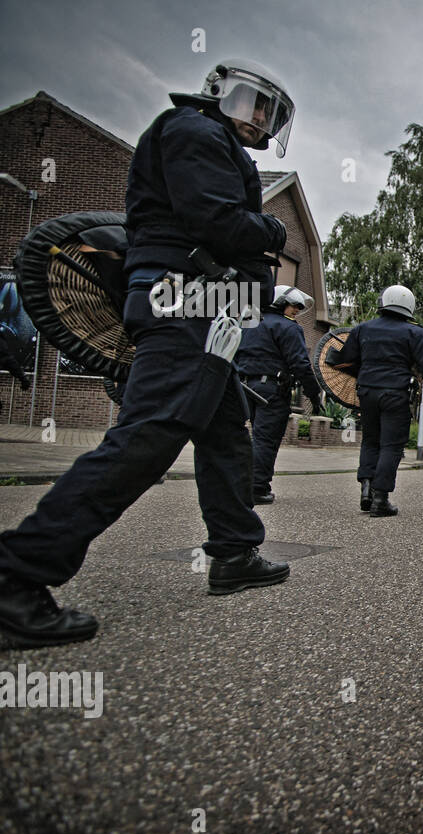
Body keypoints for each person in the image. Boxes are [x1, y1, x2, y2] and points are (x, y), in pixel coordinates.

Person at [0, 59, 297, 647]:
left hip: (204, 305)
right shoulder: (194, 130)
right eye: (257, 105)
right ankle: (17, 573)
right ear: (224, 94)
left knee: (224, 430)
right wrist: (272, 234)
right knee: (150, 435)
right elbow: (214, 220)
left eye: (271, 114)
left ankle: (235, 551)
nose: (262, 121)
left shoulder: (204, 138)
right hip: (184, 299)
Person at [327, 284, 423, 518]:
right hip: (396, 394)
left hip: (367, 393)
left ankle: (366, 490)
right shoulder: (414, 333)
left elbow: (347, 360)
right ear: (409, 306)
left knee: (370, 441)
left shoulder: (363, 329)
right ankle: (380, 499)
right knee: (391, 445)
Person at [236, 284, 322, 504]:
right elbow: (301, 364)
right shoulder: (288, 328)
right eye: (294, 306)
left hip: (245, 387)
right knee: (266, 440)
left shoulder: (250, 323)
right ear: (281, 303)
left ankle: (243, 483)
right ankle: (257, 488)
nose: (296, 311)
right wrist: (314, 394)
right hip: (272, 391)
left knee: (252, 437)